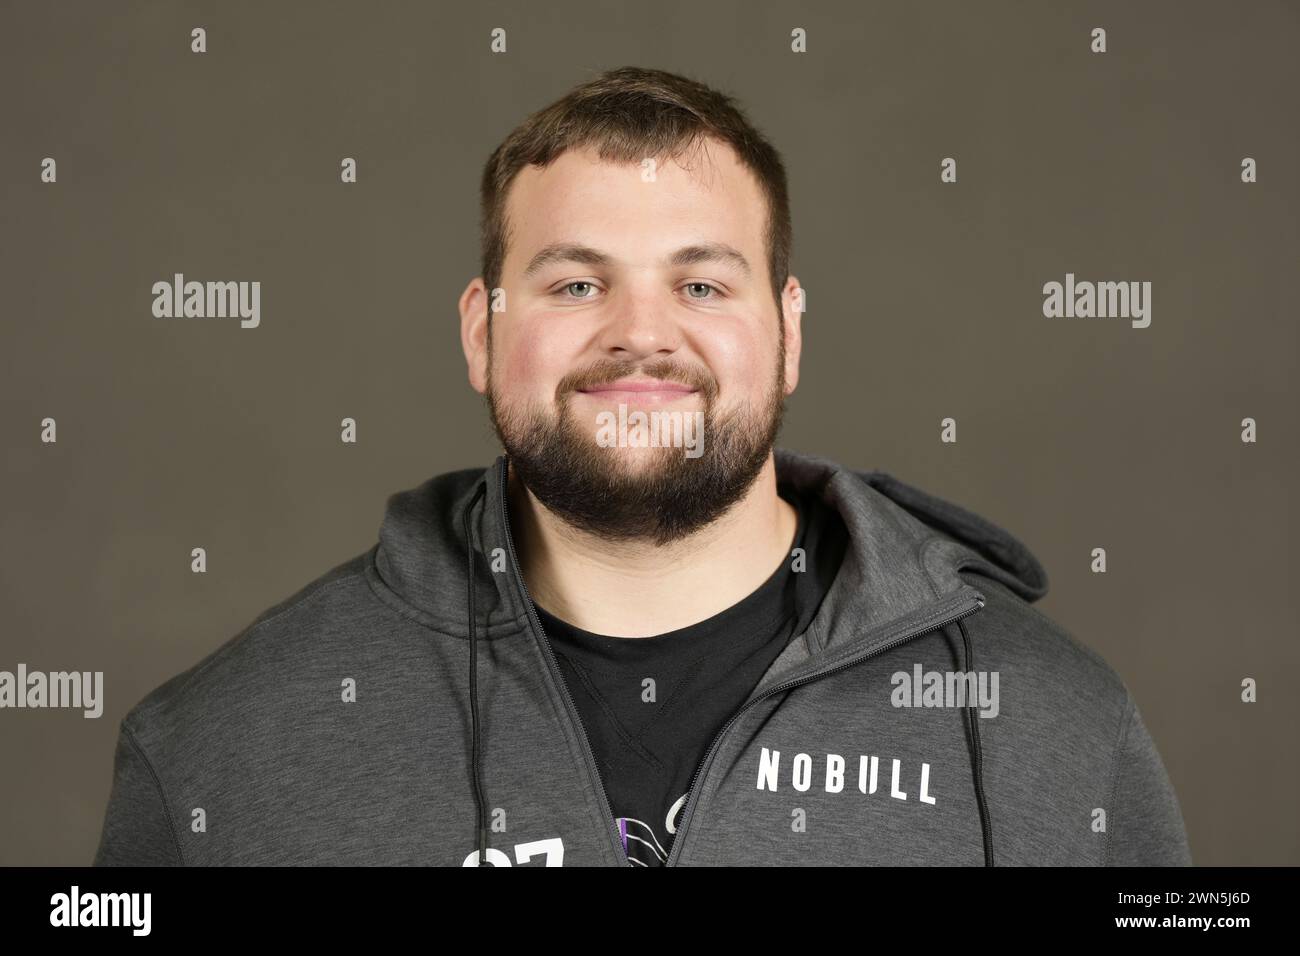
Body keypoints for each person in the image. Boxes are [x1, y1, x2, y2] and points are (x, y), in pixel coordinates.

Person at [94, 66, 1191, 867]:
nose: (640, 333)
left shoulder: (1049, 722)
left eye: (702, 284)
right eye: (576, 284)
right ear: (481, 329)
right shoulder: (223, 747)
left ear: (788, 327)